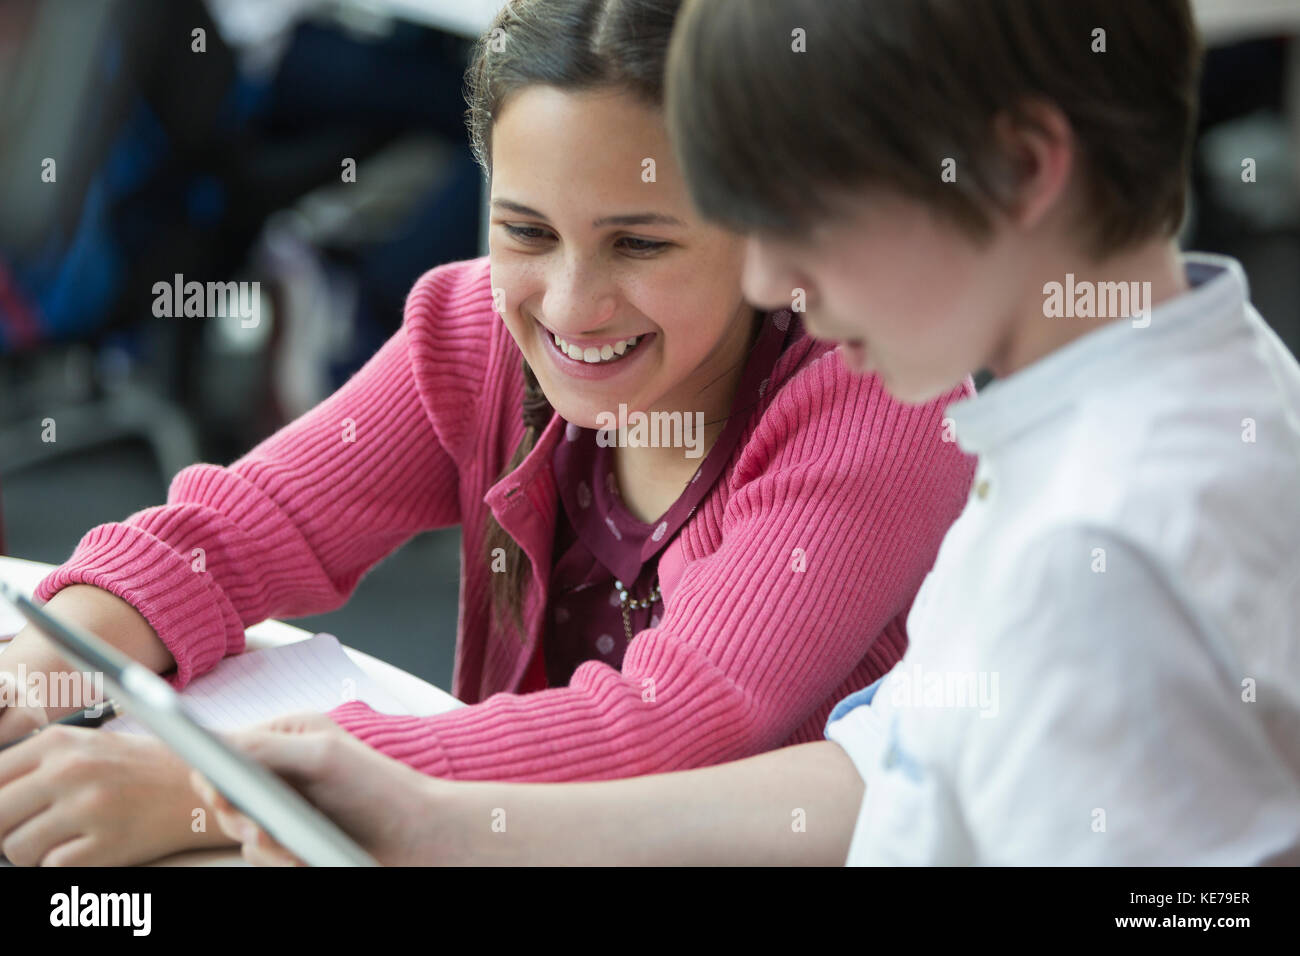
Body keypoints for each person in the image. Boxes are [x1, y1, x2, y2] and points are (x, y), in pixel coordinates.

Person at [197, 0, 1300, 866]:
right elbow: (884, 775)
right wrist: (445, 822)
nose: (767, 278)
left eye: (801, 209)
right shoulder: (1117, 400)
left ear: (1017, 168)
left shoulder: (1100, 546)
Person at [0, 0, 972, 866]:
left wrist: (206, 790)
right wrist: (46, 663)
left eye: (640, 242)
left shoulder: (872, 394)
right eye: (525, 231)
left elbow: (670, 727)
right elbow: (240, 529)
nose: (572, 305)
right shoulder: (476, 329)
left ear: (768, 226)